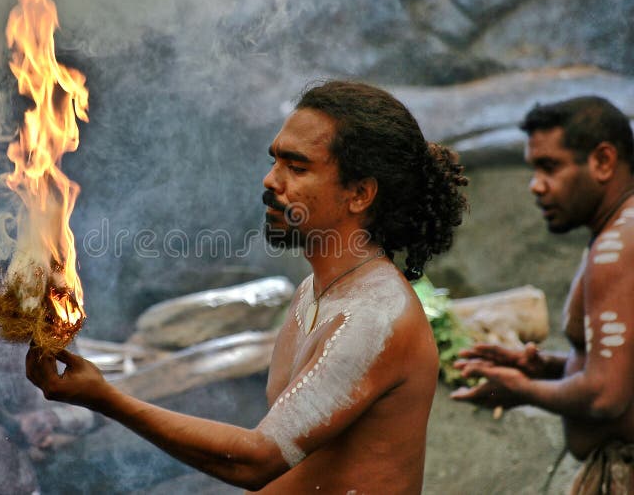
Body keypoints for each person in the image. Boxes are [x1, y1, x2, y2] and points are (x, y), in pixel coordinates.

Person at [26, 81, 468, 493]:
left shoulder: (374, 317)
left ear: (360, 194)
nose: (271, 180)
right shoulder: (315, 292)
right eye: (275, 160)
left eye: (297, 167)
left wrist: (107, 398)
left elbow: (256, 461)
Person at [451, 96, 634, 494]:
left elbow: (606, 395)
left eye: (549, 167)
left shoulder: (619, 244)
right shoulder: (619, 233)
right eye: (533, 168)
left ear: (603, 161)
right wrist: (546, 367)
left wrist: (520, 390)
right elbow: (622, 368)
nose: (535, 185)